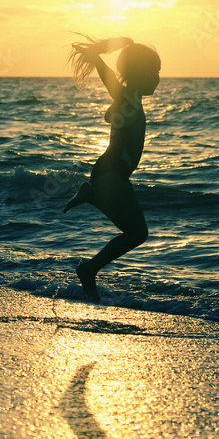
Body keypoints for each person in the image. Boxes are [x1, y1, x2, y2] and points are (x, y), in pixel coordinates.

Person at [62, 34, 161, 301]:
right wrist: (104, 52)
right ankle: (89, 268)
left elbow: (110, 83)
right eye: (155, 72)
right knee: (137, 233)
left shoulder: (132, 97)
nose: (159, 78)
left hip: (112, 174)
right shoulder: (128, 96)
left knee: (134, 232)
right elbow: (107, 76)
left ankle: (91, 196)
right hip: (111, 174)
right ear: (140, 73)